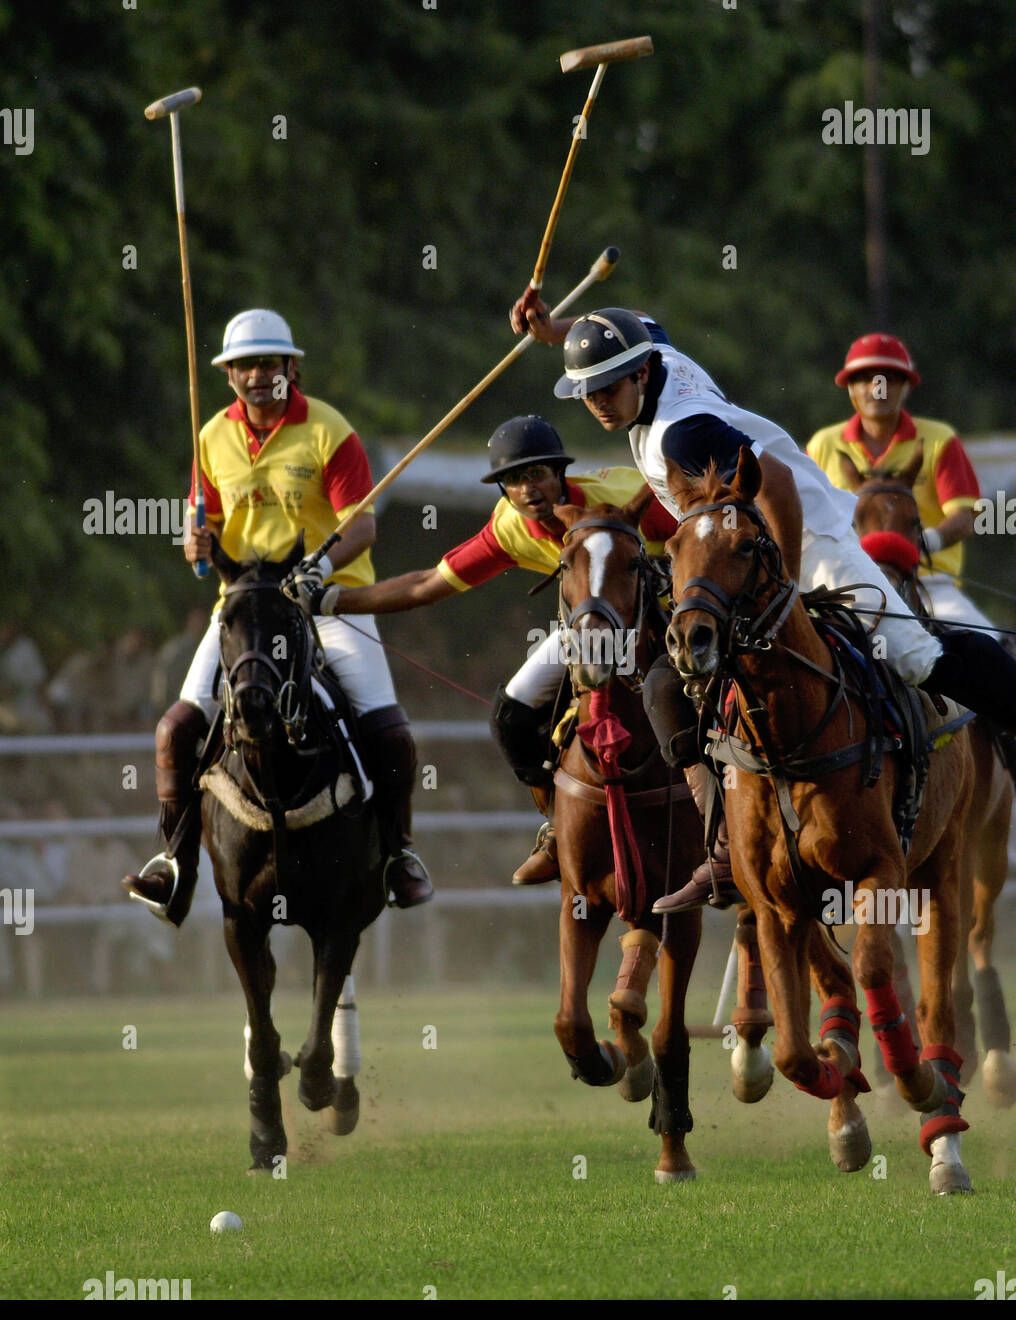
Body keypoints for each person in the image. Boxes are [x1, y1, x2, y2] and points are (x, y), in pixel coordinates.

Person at [510, 298, 1016, 911]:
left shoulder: (677, 434)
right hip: (736, 557)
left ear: (638, 375)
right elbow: (642, 321)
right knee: (670, 680)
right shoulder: (658, 354)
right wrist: (557, 333)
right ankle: (722, 850)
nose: (598, 402)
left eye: (608, 387)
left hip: (810, 539)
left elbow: (780, 483)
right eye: (586, 391)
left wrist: (788, 582)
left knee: (914, 654)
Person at [122, 308, 432, 926]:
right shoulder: (210, 436)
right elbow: (202, 533)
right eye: (244, 366)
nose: (257, 375)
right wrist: (194, 546)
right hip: (243, 611)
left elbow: (363, 525)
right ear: (229, 375)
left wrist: (317, 570)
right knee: (174, 732)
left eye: (269, 363)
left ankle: (398, 853)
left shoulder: (327, 430)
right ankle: (175, 863)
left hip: (328, 603)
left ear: (291, 367)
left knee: (390, 731)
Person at [298, 414, 677, 885]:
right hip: (588, 632)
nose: (529, 489)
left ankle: (722, 828)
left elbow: (700, 531)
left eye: (537, 473)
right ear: (503, 492)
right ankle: (557, 830)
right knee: (510, 717)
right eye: (514, 480)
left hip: (668, 622)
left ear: (560, 473)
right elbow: (426, 585)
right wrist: (332, 600)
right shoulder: (509, 529)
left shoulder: (623, 496)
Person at [806, 332, 1016, 826]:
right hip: (845, 586)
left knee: (992, 645)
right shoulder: (823, 445)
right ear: (850, 388)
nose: (878, 387)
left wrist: (918, 544)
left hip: (929, 585)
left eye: (890, 377)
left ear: (907, 385)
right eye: (866, 377)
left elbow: (966, 514)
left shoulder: (938, 439)